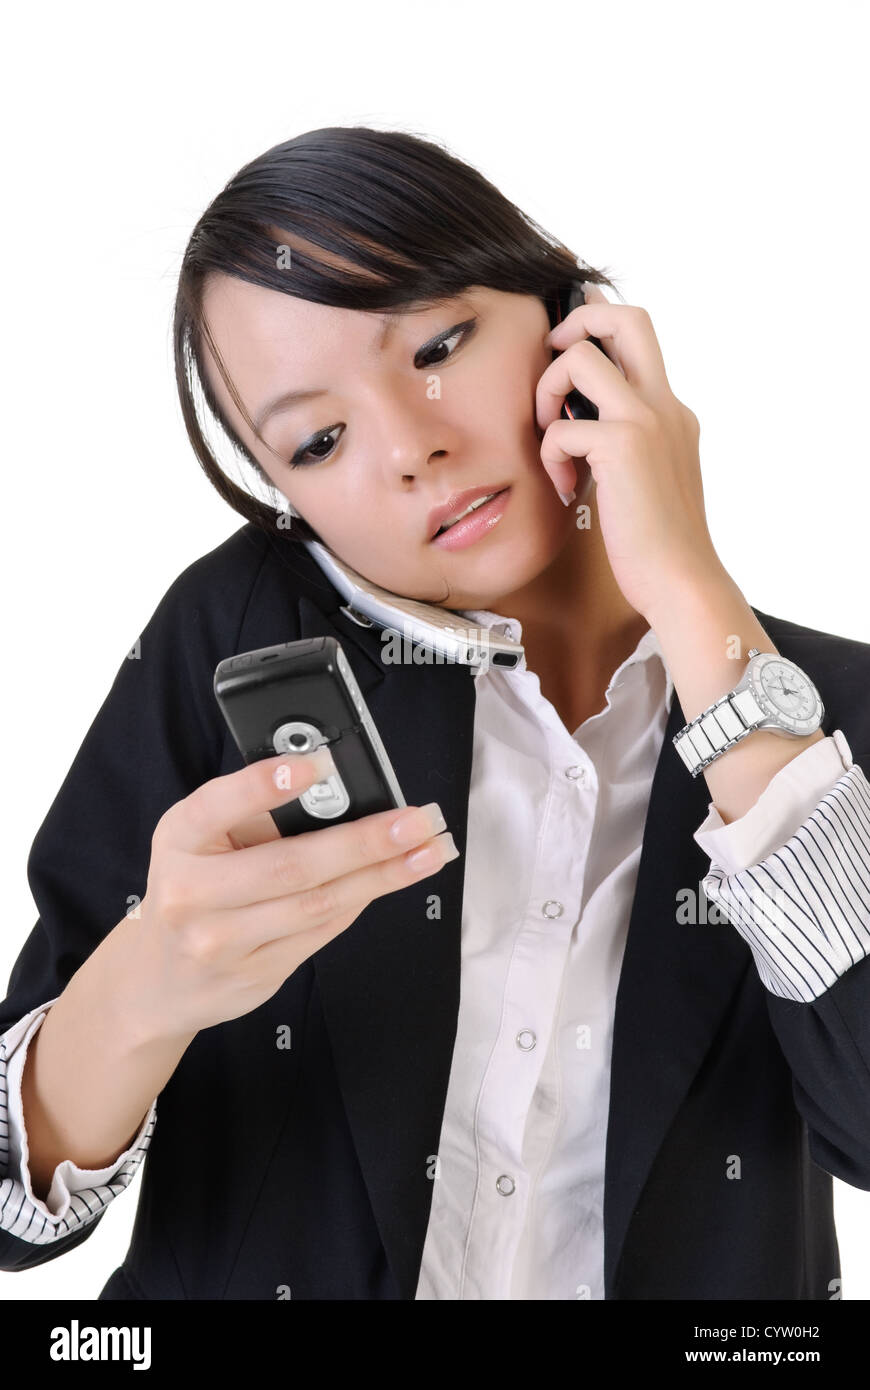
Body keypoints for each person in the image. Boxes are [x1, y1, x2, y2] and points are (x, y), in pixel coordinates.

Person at [2, 126, 869, 1301]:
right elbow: (14, 1211)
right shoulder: (243, 633)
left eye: (439, 344)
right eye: (317, 440)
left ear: (574, 313)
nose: (411, 448)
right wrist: (149, 983)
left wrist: (693, 593)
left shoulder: (820, 730)